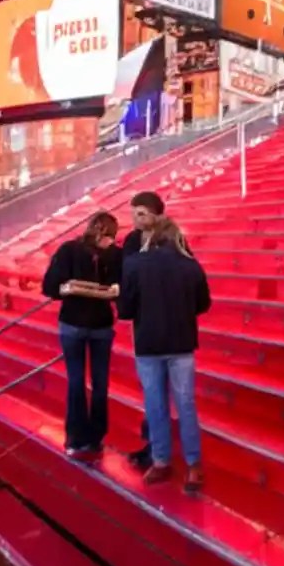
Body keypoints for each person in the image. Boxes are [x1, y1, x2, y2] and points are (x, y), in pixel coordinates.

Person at [118, 217, 211, 491]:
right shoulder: (190, 265)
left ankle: (160, 461)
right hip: (182, 343)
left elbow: (124, 310)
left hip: (148, 344)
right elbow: (203, 304)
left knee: (155, 405)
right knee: (186, 405)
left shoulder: (134, 264)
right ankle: (193, 465)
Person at [42, 212, 122, 461]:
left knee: (93, 384)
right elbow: (51, 286)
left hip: (87, 324)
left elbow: (50, 286)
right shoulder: (71, 250)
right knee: (85, 383)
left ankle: (84, 439)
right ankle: (86, 438)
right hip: (86, 324)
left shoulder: (111, 255)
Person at [122, 191, 164, 470]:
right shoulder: (130, 242)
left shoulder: (170, 240)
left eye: (142, 213)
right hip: (143, 323)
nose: (136, 219)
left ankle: (160, 449)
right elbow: (124, 279)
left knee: (164, 390)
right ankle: (152, 444)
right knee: (151, 388)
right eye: (134, 213)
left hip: (169, 322)